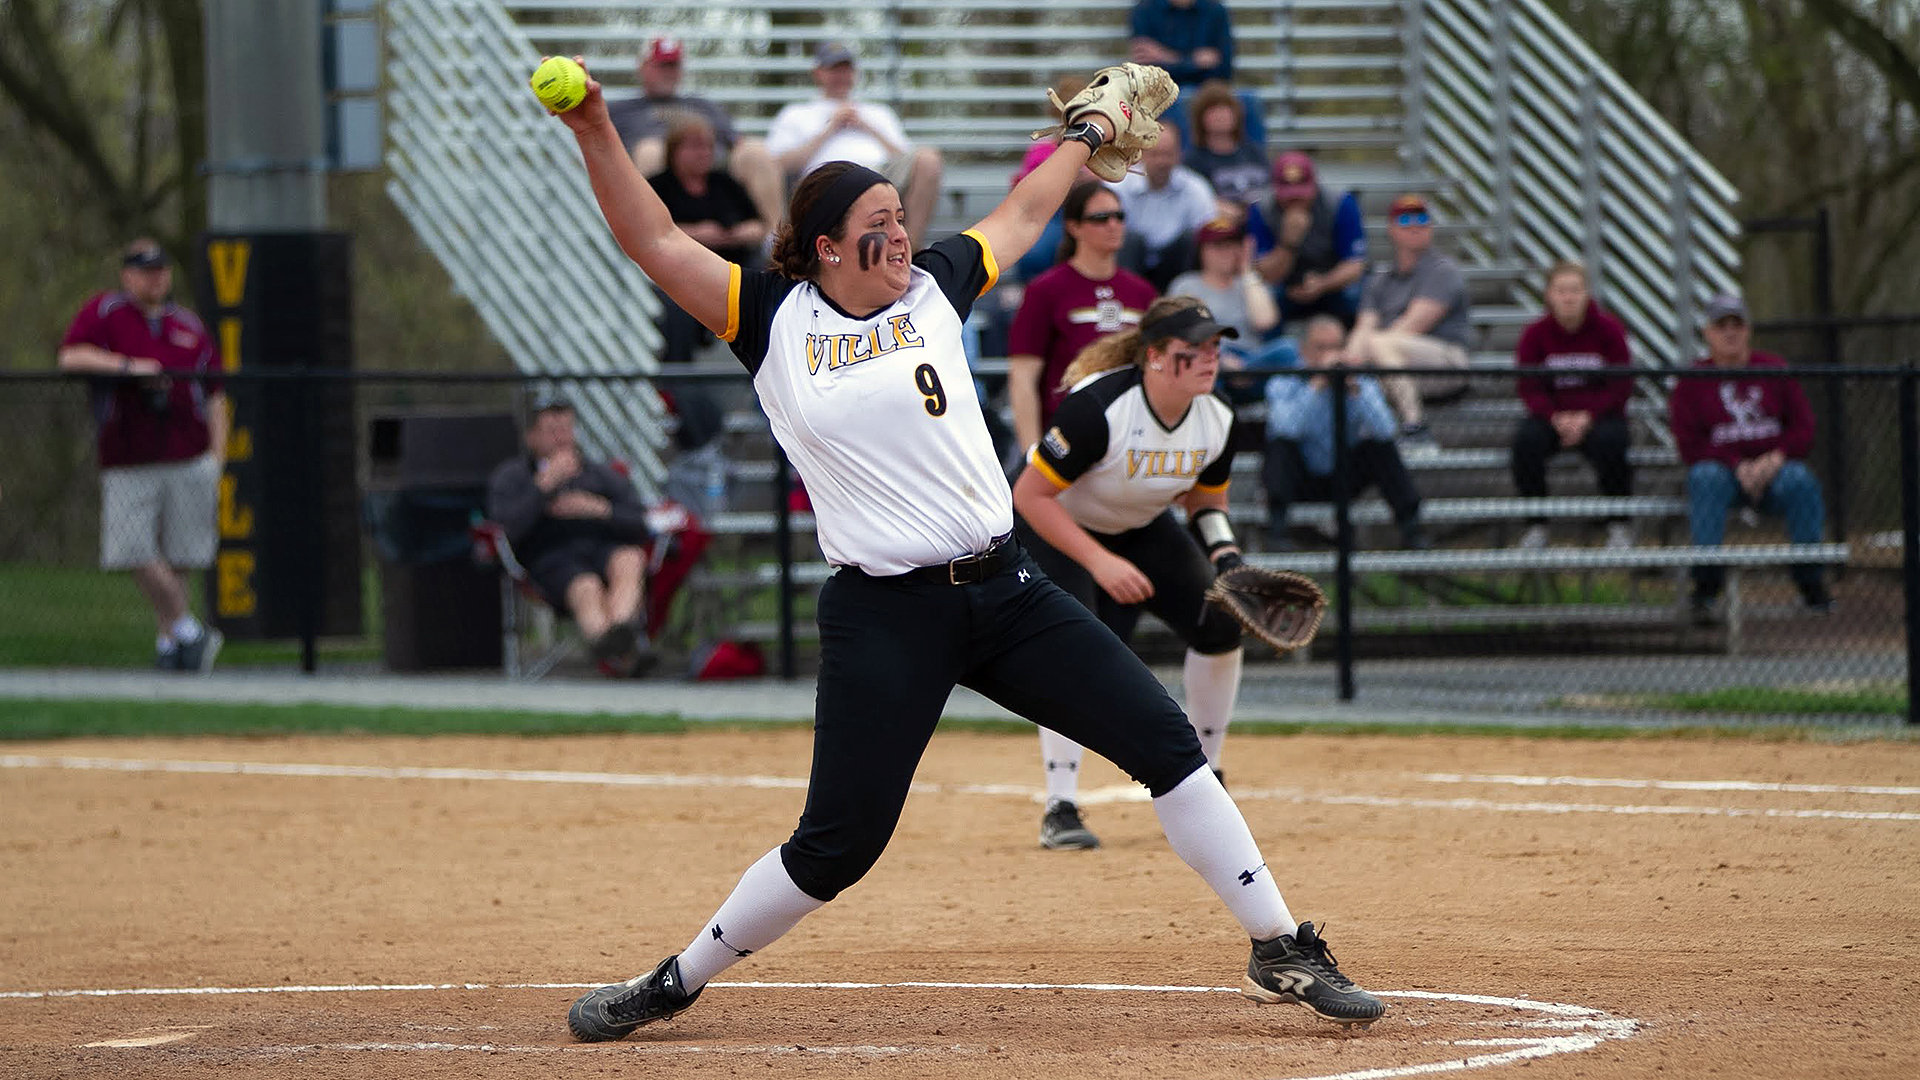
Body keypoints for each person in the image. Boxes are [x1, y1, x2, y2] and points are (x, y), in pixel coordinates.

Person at [543, 55, 1386, 1039]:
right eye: (876, 229)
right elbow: (650, 238)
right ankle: (676, 981)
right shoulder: (772, 320)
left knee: (1166, 748)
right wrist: (596, 124)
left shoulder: (937, 283)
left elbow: (1025, 213)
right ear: (822, 248)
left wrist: (1078, 138)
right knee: (838, 846)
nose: (899, 237)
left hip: (1008, 590)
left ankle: (1279, 943)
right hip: (885, 614)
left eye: (901, 219)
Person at [1012, 296, 1248, 850]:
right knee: (1072, 650)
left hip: (1139, 526)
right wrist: (1098, 561)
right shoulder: (1099, 408)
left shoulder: (1217, 419)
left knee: (1220, 622)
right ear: (1157, 358)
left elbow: (1206, 502)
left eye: (1215, 348)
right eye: (1196, 351)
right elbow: (1029, 494)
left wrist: (1227, 555)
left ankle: (1207, 777)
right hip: (1056, 524)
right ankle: (1060, 805)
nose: (1211, 359)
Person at [56, 239, 226, 673]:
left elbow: (216, 394)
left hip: (188, 454)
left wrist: (217, 457)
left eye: (161, 270)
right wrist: (130, 368)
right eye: (145, 270)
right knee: (131, 547)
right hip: (128, 455)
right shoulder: (105, 313)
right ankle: (189, 629)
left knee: (179, 556)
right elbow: (70, 357)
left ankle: (171, 646)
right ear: (127, 275)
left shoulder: (188, 324)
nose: (155, 278)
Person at [1668, 294, 1831, 622]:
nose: (1730, 333)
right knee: (1705, 478)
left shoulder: (1774, 369)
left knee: (1801, 481)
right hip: (1724, 472)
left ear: (1749, 330)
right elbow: (1689, 444)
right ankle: (1706, 588)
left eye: (1737, 325)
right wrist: (1735, 464)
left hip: (1775, 469)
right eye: (1721, 326)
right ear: (1707, 333)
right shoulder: (1691, 381)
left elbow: (1804, 427)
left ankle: (1810, 583)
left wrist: (1775, 458)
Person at [485, 399, 655, 674]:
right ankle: (623, 650)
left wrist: (599, 509)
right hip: (552, 558)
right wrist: (541, 490)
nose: (562, 438)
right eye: (552, 431)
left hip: (601, 548)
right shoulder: (513, 478)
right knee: (585, 586)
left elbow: (639, 522)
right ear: (532, 437)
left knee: (630, 558)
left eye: (567, 429)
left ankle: (615, 642)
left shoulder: (600, 474)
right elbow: (506, 530)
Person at [1007, 182, 1158, 455]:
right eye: (1101, 218)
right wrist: (1032, 451)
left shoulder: (1143, 292)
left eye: (1119, 216)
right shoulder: (1045, 290)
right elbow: (1023, 377)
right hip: (1066, 437)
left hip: (1131, 437)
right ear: (1074, 226)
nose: (1113, 224)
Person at [1264, 316, 1428, 550]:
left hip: (1344, 475)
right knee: (1279, 448)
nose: (1330, 355)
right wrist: (1317, 384)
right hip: (1302, 477)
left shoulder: (1359, 380)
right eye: (1321, 348)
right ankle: (1277, 531)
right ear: (1304, 350)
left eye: (1336, 347)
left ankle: (1411, 529)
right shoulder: (1284, 381)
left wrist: (1356, 389)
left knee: (1380, 448)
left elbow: (1386, 430)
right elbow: (1287, 429)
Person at [765, 43, 943, 249]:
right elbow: (778, 164)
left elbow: (906, 157)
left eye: (846, 69)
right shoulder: (797, 114)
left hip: (880, 177)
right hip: (825, 180)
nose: (841, 75)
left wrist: (867, 127)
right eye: (834, 69)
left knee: (929, 159)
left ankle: (910, 247)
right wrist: (829, 129)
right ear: (818, 73)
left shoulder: (878, 112)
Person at [1510, 261, 1636, 550]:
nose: (1568, 297)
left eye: (1575, 290)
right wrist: (1555, 417)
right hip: (1552, 418)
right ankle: (1536, 525)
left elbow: (1621, 385)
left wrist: (1588, 417)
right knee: (1526, 441)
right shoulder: (1534, 334)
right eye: (1561, 291)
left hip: (1600, 417)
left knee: (1612, 442)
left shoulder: (1609, 329)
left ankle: (1618, 525)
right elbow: (1528, 387)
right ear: (1549, 295)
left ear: (1587, 294)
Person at [606, 37, 783, 233]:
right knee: (651, 152)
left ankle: (775, 244)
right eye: (662, 66)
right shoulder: (620, 110)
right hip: (663, 181)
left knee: (755, 151)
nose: (669, 73)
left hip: (714, 181)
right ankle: (651, 237)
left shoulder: (703, 105)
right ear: (643, 67)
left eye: (674, 66)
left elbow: (736, 141)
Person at [1346, 194, 1472, 456]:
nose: (1414, 225)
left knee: (1380, 344)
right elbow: (1363, 327)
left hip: (1446, 361)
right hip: (1392, 366)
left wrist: (1365, 356)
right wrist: (1348, 363)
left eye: (1422, 219)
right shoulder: (1381, 279)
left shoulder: (1442, 270)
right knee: (1346, 366)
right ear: (1392, 229)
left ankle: (1415, 426)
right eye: (1405, 219)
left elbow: (1411, 326)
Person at [647, 117, 769, 361]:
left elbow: (758, 226)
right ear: (674, 150)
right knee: (676, 310)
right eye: (694, 146)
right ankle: (678, 381)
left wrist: (729, 235)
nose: (703, 153)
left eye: (708, 146)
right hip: (680, 276)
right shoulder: (658, 186)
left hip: (734, 272)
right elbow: (649, 232)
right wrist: (698, 234)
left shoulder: (725, 183)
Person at [1166, 218, 1293, 402]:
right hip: (1211, 360)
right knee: (1200, 362)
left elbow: (1265, 321)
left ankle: (1285, 430)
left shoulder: (1250, 283)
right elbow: (1184, 334)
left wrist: (1247, 271)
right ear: (1202, 251)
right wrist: (1222, 359)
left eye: (1233, 245)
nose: (1227, 252)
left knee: (1288, 349)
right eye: (1219, 246)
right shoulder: (1186, 285)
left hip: (1251, 364)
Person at [1248, 151, 1367, 329]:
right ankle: (1271, 353)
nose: (1295, 199)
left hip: (1331, 281)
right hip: (1283, 285)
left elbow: (1354, 266)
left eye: (1301, 192)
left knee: (1355, 293)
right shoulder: (1261, 209)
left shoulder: (1340, 203)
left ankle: (1351, 350)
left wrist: (1323, 284)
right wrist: (1289, 243)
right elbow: (1265, 274)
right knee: (1264, 297)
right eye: (1288, 194)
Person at [1109, 121, 1218, 292]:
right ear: (1141, 154)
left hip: (1177, 265)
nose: (1162, 161)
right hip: (1130, 262)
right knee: (1126, 238)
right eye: (1155, 154)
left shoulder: (1195, 186)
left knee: (1193, 238)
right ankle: (1127, 298)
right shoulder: (1119, 186)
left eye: (1168, 154)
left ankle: (1182, 302)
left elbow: (1209, 234)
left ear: (1179, 154)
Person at [1129, 0, 1235, 147]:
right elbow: (1147, 70)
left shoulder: (1215, 11)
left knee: (1248, 100)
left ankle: (1252, 164)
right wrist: (1194, 62)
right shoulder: (1145, 11)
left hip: (1208, 90)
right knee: (1173, 101)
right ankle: (1186, 165)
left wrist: (1165, 57)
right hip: (1163, 91)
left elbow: (1224, 69)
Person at [1182, 80, 1269, 211]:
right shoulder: (1193, 161)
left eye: (1226, 108)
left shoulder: (1255, 153)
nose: (1221, 115)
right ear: (1200, 118)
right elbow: (1193, 201)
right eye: (1213, 110)